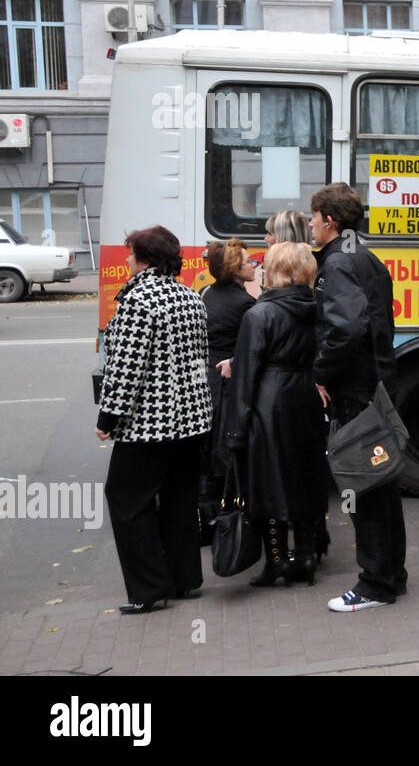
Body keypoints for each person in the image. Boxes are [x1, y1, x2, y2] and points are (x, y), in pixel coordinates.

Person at [95, 226, 212, 614]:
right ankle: (183, 578)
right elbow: (199, 363)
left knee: (127, 500)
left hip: (148, 425)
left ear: (144, 259)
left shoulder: (138, 301)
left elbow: (127, 368)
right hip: (190, 422)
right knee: (180, 500)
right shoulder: (190, 298)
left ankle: (148, 589)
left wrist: (109, 417)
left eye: (130, 255)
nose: (126, 261)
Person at [310, 183, 408, 612]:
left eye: (313, 218)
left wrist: (321, 372)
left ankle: (375, 585)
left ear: (330, 221)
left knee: (362, 488)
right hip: (377, 386)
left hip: (354, 391)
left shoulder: (337, 264)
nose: (310, 225)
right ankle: (391, 576)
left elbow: (345, 328)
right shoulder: (367, 258)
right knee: (381, 484)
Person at [225, 242, 330, 587]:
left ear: (277, 271)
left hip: (269, 402)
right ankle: (307, 556)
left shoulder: (259, 314)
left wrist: (235, 431)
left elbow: (246, 375)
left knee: (268, 483)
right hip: (305, 397)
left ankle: (277, 561)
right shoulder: (315, 307)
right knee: (304, 478)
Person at [199, 239, 258, 542]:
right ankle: (227, 519)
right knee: (227, 453)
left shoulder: (205, 294)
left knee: (207, 453)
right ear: (236, 268)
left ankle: (204, 519)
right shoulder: (245, 304)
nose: (253, 265)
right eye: (249, 262)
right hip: (228, 382)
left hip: (205, 378)